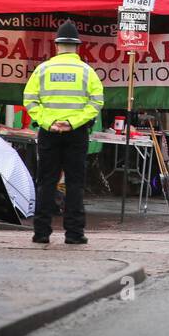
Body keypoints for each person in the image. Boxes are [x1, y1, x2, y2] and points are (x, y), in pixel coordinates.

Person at [23, 21, 104, 245]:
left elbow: (30, 100)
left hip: (49, 133)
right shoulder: (87, 72)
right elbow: (96, 102)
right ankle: (74, 234)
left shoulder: (42, 70)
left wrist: (49, 123)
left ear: (57, 45)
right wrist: (72, 122)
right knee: (75, 182)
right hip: (76, 134)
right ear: (77, 47)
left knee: (46, 181)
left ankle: (41, 233)